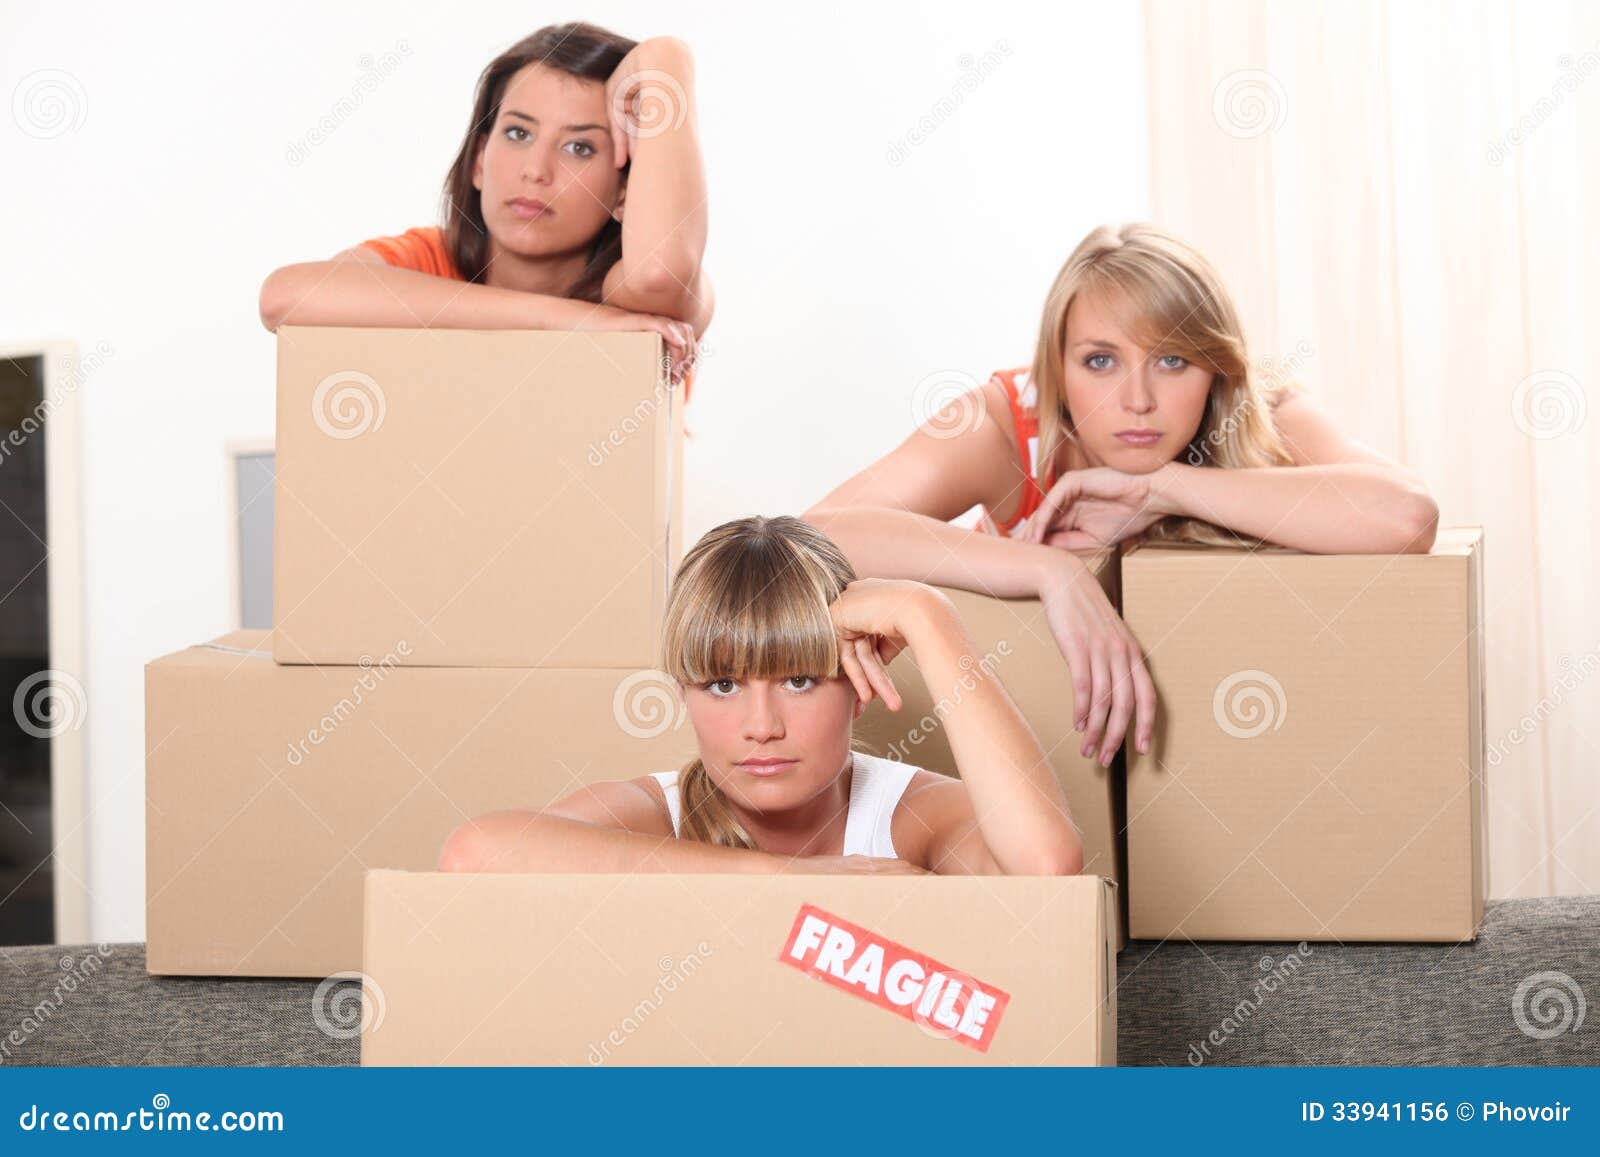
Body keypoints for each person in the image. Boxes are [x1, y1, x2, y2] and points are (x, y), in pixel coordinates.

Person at [803, 222, 1439, 770]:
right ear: (1057, 366)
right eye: (1101, 361)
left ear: (1216, 369)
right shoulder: (1004, 427)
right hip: (1033, 753)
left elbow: (1406, 515)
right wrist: (1052, 572)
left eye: (1172, 361)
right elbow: (813, 536)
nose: (1137, 400)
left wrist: (1164, 489)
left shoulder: (1255, 411)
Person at [438, 515, 1083, 876]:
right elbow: (474, 855)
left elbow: (1045, 867)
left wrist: (926, 615)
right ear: (685, 696)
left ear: (860, 688)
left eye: (799, 680)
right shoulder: (659, 816)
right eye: (722, 686)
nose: (761, 726)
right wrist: (788, 883)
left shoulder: (908, 816)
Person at [258, 21, 710, 383]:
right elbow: (284, 297)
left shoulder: (643, 296)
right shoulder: (425, 261)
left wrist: (667, 59)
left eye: (580, 148)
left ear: (627, 192)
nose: (535, 169)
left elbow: (659, 274)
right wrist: (569, 323)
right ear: (478, 159)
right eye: (518, 133)